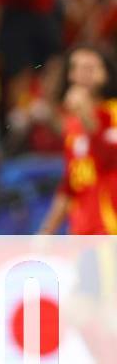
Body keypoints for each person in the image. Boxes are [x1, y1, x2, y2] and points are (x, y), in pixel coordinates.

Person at [39, 45, 117, 236]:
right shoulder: (73, 124)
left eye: (90, 68)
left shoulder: (113, 113)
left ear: (105, 74)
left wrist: (85, 113)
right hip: (80, 232)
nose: (82, 74)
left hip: (109, 229)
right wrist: (46, 232)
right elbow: (71, 182)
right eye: (76, 67)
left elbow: (109, 159)